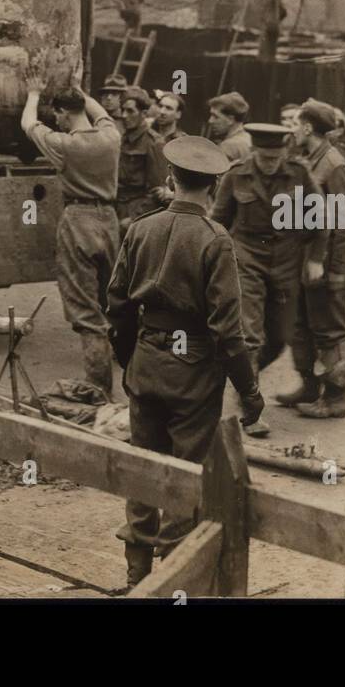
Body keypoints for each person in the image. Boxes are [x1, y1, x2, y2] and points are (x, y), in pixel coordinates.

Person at [107, 136, 262, 588]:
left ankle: (137, 579)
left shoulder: (140, 228)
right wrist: (249, 393)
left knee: (143, 469)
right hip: (193, 370)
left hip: (147, 360)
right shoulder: (216, 241)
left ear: (170, 179)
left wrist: (129, 360)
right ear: (214, 186)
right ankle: (173, 586)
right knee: (184, 477)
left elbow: (116, 307)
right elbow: (228, 333)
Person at [211, 123, 322, 438]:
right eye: (265, 157)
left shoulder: (299, 174)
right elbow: (219, 221)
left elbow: (319, 219)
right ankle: (252, 411)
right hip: (246, 257)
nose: (271, 163)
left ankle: (243, 376)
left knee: (280, 336)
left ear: (284, 152)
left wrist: (315, 259)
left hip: (287, 260)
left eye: (276, 157)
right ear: (254, 151)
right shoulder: (236, 174)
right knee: (250, 334)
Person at [20, 84, 121, 397]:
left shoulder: (64, 145)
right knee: (113, 303)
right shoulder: (111, 135)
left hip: (78, 220)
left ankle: (98, 387)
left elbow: (27, 124)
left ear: (64, 113)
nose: (57, 121)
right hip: (109, 221)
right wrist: (81, 91)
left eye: (58, 115)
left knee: (86, 313)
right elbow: (100, 113)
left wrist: (34, 94)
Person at [278, 98, 345, 420]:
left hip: (326, 263)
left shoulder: (334, 164)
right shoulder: (306, 159)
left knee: (330, 329)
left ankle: (336, 398)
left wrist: (337, 269)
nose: (292, 129)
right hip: (304, 259)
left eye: (296, 123)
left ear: (309, 127)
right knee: (303, 325)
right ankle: (310, 386)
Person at [116, 86, 168, 228]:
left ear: (144, 113)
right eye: (123, 110)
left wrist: (134, 218)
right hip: (118, 208)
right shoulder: (123, 138)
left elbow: (158, 193)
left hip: (137, 213)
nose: (124, 115)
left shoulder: (154, 142)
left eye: (130, 111)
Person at [207, 92, 252, 164]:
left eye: (216, 117)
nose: (210, 121)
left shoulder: (229, 146)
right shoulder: (249, 138)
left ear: (230, 119)